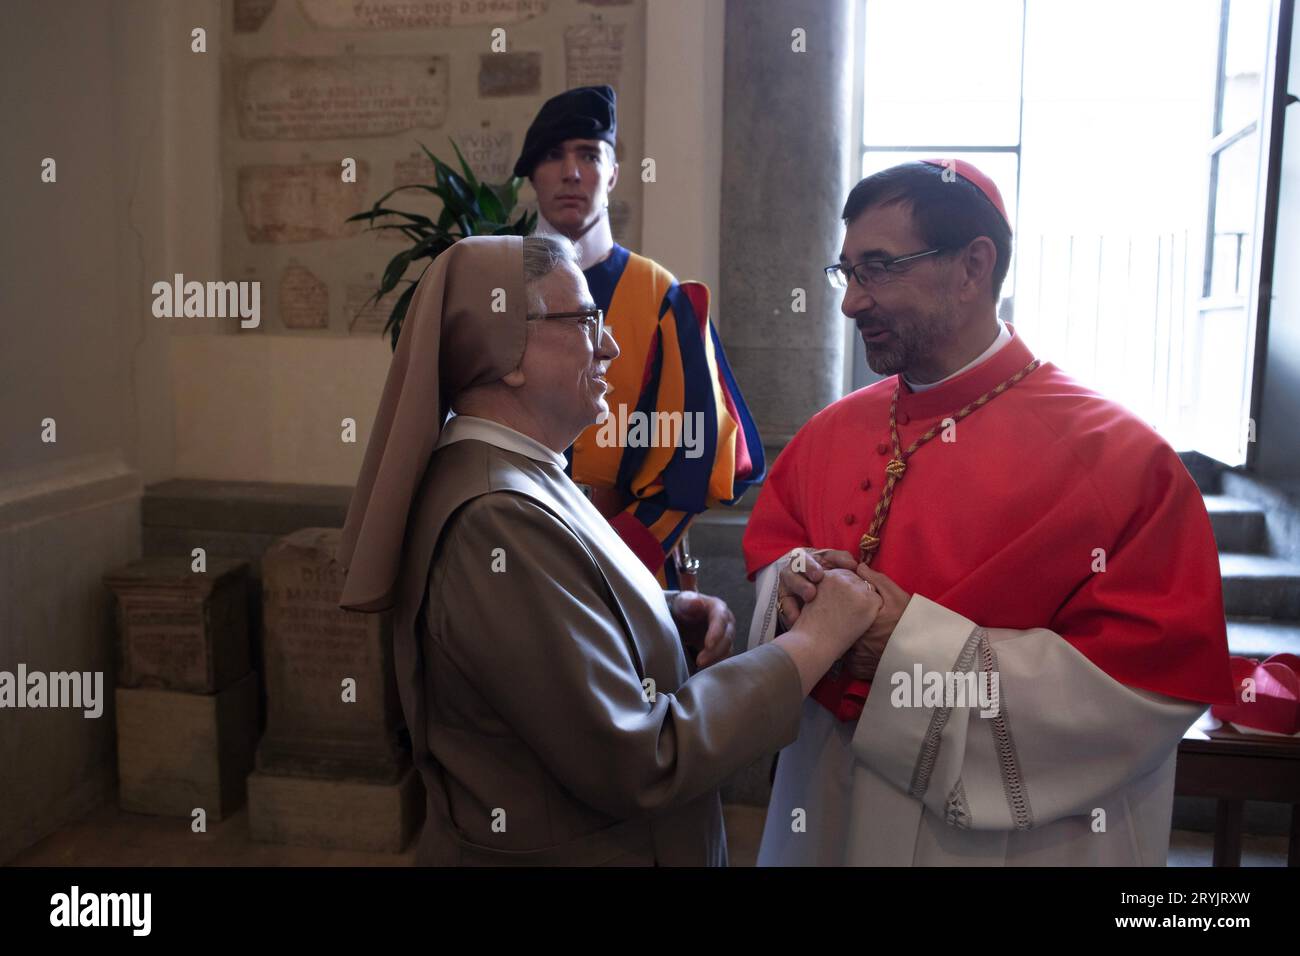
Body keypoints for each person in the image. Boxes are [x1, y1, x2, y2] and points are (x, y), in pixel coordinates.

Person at [742, 159, 1234, 866]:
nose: (851, 303)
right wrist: (793, 587)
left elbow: (1141, 693)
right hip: (827, 805)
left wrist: (906, 646)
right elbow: (771, 556)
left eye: (878, 269)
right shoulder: (829, 433)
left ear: (973, 267)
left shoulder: (1122, 460)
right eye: (844, 272)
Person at [336, 234, 880, 866]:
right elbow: (642, 759)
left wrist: (661, 609)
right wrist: (813, 643)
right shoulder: (495, 519)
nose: (611, 344)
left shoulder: (520, 471)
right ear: (506, 349)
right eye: (585, 319)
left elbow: (555, 615)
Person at [515, 84, 763, 588]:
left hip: (632, 561)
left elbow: (692, 451)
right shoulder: (491, 284)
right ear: (530, 174)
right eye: (553, 156)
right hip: (508, 550)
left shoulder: (661, 296)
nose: (571, 172)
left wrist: (609, 565)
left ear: (613, 174)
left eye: (589, 155)